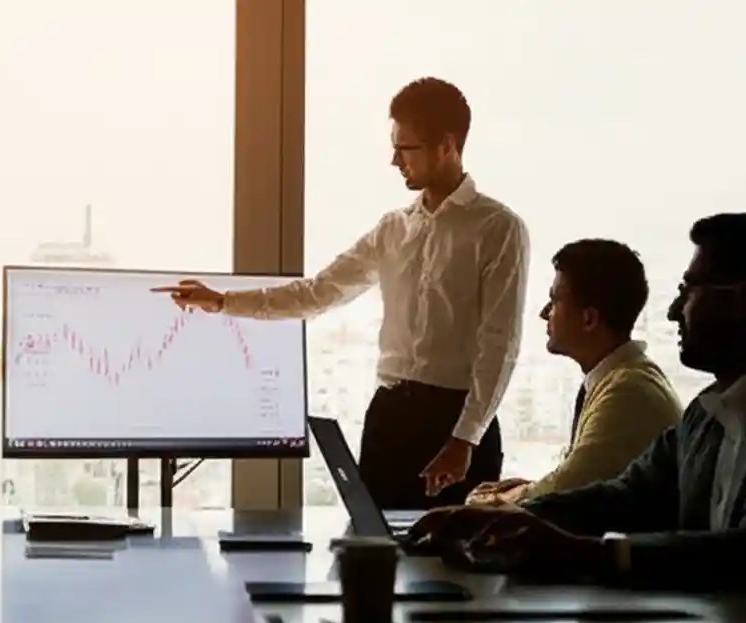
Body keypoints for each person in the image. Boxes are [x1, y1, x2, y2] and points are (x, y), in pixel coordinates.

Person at [406, 212, 746, 592]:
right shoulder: (709, 413)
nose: (673, 310)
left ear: (741, 299)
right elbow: (626, 494)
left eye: (689, 289)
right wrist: (508, 518)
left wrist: (592, 555)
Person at [153, 77, 529, 509]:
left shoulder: (498, 228)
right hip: (389, 418)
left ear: (446, 145)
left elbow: (500, 343)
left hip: (458, 421)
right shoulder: (394, 228)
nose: (394, 160)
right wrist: (222, 302)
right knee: (371, 554)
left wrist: (466, 438)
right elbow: (318, 292)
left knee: (455, 565)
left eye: (405, 148)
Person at [466, 239, 682, 506]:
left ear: (589, 319)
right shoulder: (622, 377)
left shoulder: (627, 392)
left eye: (555, 300)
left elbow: (564, 491)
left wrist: (491, 501)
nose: (545, 313)